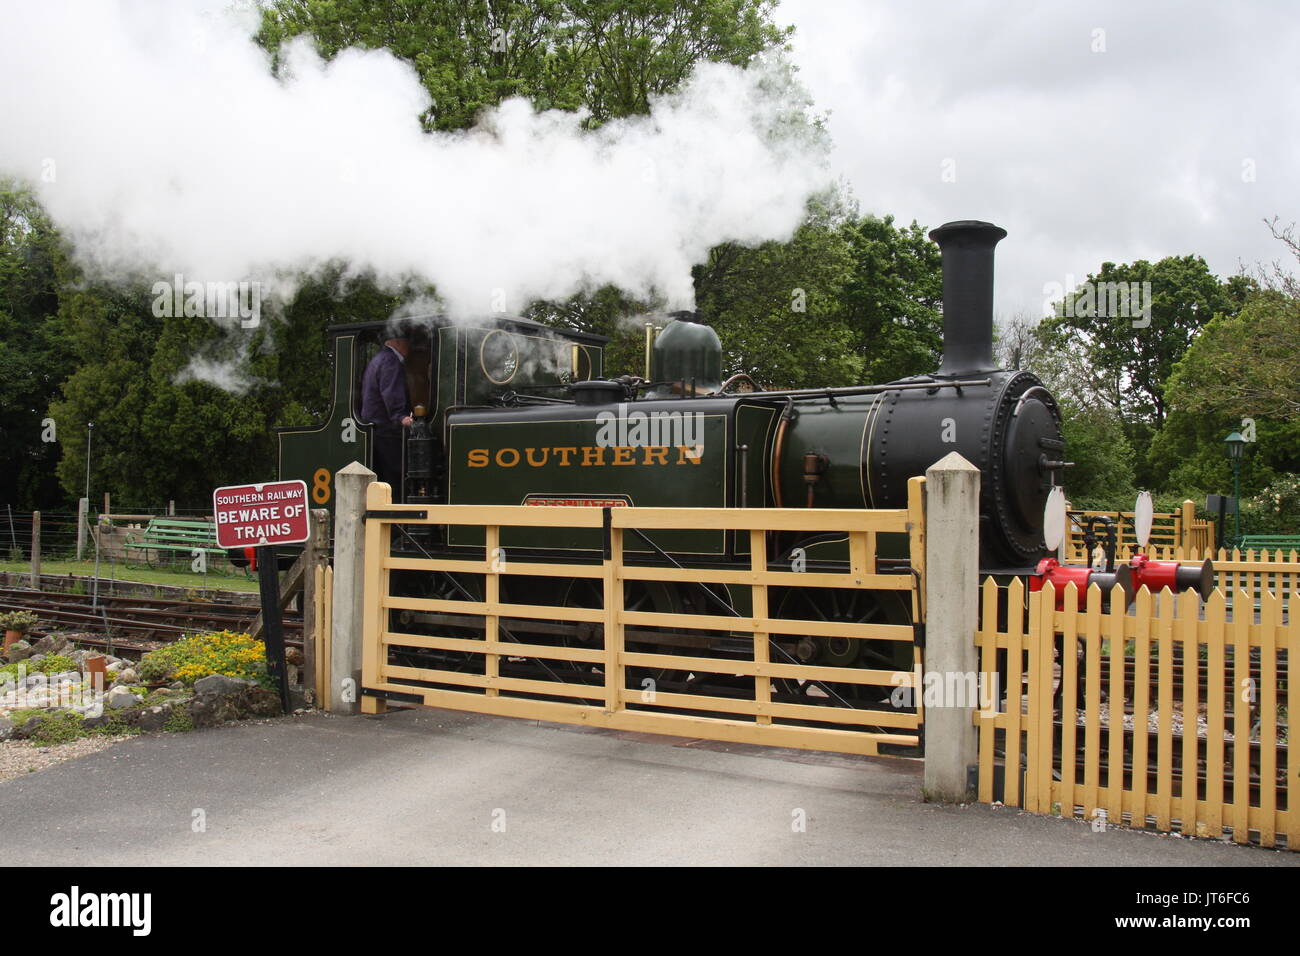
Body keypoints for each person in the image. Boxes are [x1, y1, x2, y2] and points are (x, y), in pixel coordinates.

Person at [361, 337, 413, 497]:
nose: (409, 346)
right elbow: (390, 391)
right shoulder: (391, 361)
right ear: (396, 341)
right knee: (395, 478)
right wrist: (401, 416)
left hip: (377, 428)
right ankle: (397, 517)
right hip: (386, 429)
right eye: (406, 342)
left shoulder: (378, 359)